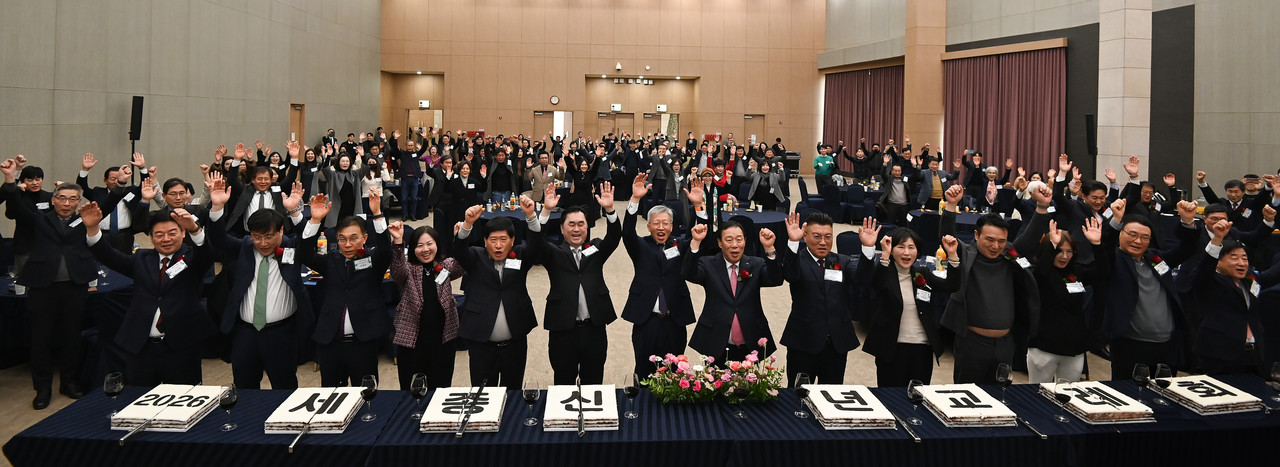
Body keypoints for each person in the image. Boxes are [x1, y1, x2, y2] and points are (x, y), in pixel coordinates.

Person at [82, 205, 215, 386]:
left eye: (172, 233)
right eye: (159, 235)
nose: (166, 239)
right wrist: (92, 228)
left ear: (183, 233)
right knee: (139, 393)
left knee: (182, 395)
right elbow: (109, 256)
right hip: (141, 347)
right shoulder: (141, 259)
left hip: (181, 346)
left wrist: (195, 228)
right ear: (151, 237)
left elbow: (206, 254)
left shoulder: (192, 258)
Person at [1, 159, 97, 409]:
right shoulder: (40, 219)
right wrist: (10, 179)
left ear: (79, 202)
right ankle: (42, 389)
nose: (66, 203)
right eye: (62, 198)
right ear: (53, 200)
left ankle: (69, 382)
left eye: (72, 199)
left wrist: (119, 187)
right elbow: (16, 208)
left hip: (74, 286)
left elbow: (106, 206)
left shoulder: (84, 220)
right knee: (40, 340)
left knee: (72, 337)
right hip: (43, 287)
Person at [206, 174, 312, 390]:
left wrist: (295, 212)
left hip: (281, 333)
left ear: (281, 230)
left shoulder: (292, 247)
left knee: (284, 388)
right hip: (245, 333)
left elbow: (308, 240)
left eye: (269, 236)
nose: (262, 243)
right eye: (257, 237)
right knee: (244, 387)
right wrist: (217, 208)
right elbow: (219, 239)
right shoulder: (245, 247)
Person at [939, 184, 1047, 384]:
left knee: (1001, 394)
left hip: (1005, 344)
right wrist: (951, 205)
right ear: (976, 235)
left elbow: (1031, 237)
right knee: (968, 393)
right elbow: (947, 238)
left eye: (1001, 241)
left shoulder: (1009, 256)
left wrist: (1042, 207)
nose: (995, 246)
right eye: (989, 239)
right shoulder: (966, 254)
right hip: (972, 343)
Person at [1091, 198, 1200, 378]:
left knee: (1164, 391)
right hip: (1130, 345)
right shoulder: (1114, 260)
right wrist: (1116, 220)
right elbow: (1105, 248)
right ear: (1121, 233)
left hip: (1166, 344)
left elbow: (1187, 249)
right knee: (1128, 391)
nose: (1138, 241)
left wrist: (1188, 222)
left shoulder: (1156, 258)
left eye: (1144, 237)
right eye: (1132, 234)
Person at [451, 195, 547, 391]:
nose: (498, 245)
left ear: (512, 241)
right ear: (485, 241)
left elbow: (537, 247)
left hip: (515, 343)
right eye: (493, 240)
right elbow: (459, 251)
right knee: (483, 394)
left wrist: (531, 216)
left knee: (513, 391)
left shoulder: (520, 255)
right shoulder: (476, 257)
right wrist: (467, 224)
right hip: (481, 344)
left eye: (503, 240)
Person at [530, 183, 621, 385]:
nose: (577, 229)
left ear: (587, 227)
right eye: (571, 224)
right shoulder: (553, 252)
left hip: (594, 328)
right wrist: (546, 211)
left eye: (581, 224)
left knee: (594, 382)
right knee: (563, 382)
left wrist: (609, 210)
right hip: (563, 329)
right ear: (562, 229)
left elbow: (614, 238)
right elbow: (536, 243)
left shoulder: (596, 249)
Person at [297, 190, 391, 387]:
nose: (348, 244)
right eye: (342, 239)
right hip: (330, 342)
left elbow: (385, 251)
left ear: (365, 238)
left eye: (354, 238)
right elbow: (304, 254)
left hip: (363, 341)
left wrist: (377, 214)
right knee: (331, 392)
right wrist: (315, 220)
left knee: (365, 393)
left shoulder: (372, 261)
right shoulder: (331, 261)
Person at [855, 217, 960, 387]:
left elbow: (952, 286)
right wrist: (876, 252)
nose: (906, 253)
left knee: (917, 396)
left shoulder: (923, 273)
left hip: (922, 349)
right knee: (891, 396)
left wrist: (953, 256)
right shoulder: (884, 272)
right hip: (891, 348)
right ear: (891, 248)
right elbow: (866, 281)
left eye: (911, 247)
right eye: (901, 247)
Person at [621, 174, 704, 377]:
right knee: (643, 371)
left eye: (665, 223)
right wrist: (635, 199)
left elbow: (701, 232)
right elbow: (628, 232)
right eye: (656, 223)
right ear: (648, 226)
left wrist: (699, 206)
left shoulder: (680, 244)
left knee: (674, 372)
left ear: (672, 226)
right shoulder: (640, 245)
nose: (661, 227)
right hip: (646, 319)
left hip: (674, 319)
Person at [1177, 219, 1280, 375]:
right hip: (1220, 355)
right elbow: (1205, 267)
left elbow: (1272, 275)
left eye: (1244, 258)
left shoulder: (1249, 280)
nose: (1241, 263)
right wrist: (1217, 240)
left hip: (1253, 355)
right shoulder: (1209, 280)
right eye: (1234, 257)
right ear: (1218, 262)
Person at [777, 212, 864, 385]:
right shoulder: (797, 261)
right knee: (798, 392)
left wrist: (868, 250)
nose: (823, 242)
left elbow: (862, 279)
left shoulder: (842, 261)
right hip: (803, 341)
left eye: (828, 237)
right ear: (805, 236)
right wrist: (793, 242)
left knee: (831, 392)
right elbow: (790, 274)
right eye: (817, 236)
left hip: (836, 343)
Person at [683, 220, 784, 363]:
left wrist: (769, 248)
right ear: (720, 243)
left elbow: (776, 279)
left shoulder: (756, 264)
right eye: (729, 240)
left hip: (750, 341)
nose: (735, 245)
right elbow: (688, 273)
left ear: (745, 241)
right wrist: (695, 242)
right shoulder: (708, 264)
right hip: (715, 341)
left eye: (739, 239)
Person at [388, 222, 464, 390]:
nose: (425, 249)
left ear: (437, 244)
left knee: (440, 390)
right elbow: (397, 270)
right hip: (412, 344)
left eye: (430, 244)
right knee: (411, 391)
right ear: (413, 248)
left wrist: (460, 238)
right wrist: (398, 242)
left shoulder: (445, 266)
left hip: (443, 342)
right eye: (419, 245)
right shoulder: (408, 269)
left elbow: (460, 265)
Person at [1025, 219, 1102, 383]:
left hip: (1073, 348)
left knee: (1069, 394)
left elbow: (1104, 272)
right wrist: (1052, 246)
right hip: (1044, 348)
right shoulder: (1038, 273)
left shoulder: (1076, 272)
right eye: (1059, 251)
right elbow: (1042, 273)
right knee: (1037, 393)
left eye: (1069, 251)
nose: (1064, 256)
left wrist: (1097, 245)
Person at [76, 153, 151, 252]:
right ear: (105, 180)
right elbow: (82, 188)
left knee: (124, 259)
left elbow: (145, 184)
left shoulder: (131, 191)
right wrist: (85, 170)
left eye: (119, 178)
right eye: (113, 179)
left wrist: (142, 168)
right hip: (101, 234)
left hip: (124, 235)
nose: (116, 181)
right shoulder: (97, 192)